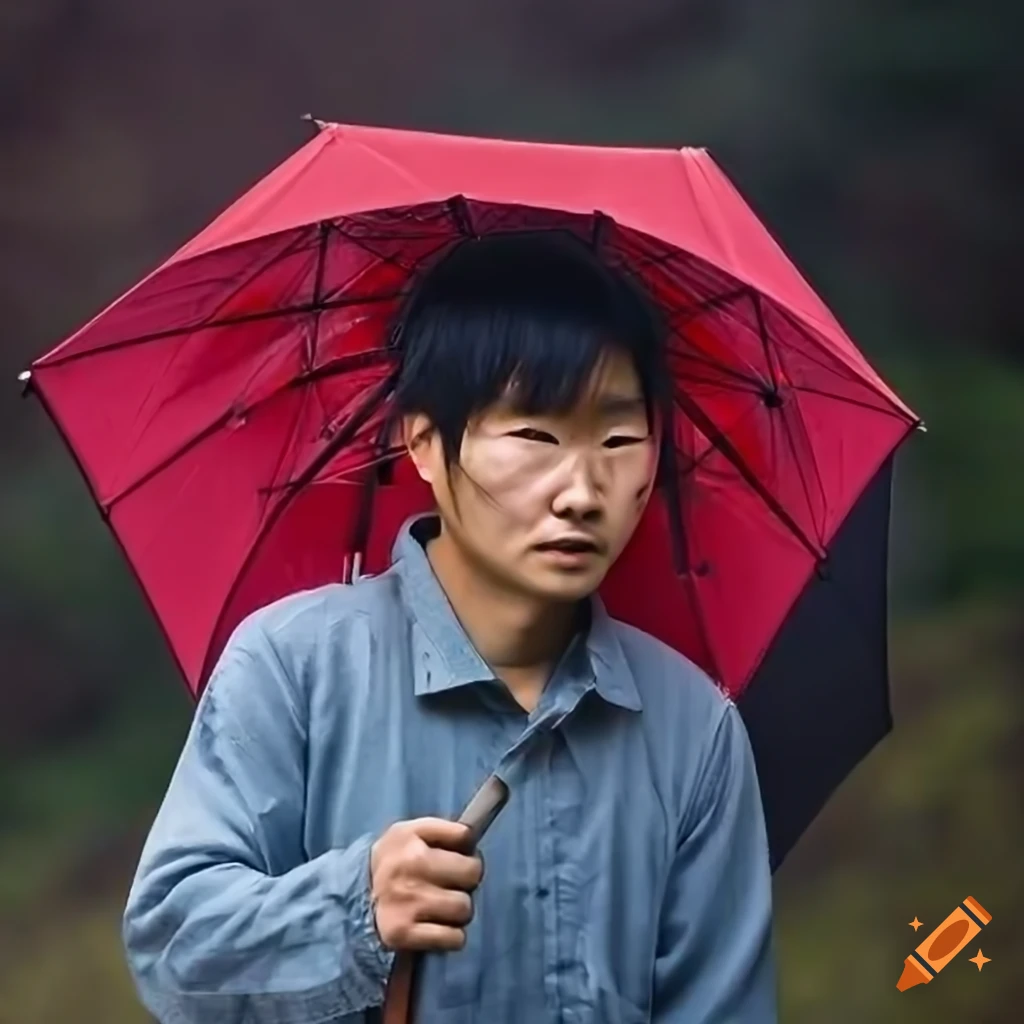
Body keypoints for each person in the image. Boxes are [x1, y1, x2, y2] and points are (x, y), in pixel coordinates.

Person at [122, 231, 777, 1023]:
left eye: (618, 439)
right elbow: (171, 948)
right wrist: (356, 907)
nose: (582, 490)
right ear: (426, 442)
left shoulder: (693, 730)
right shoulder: (293, 667)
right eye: (535, 436)